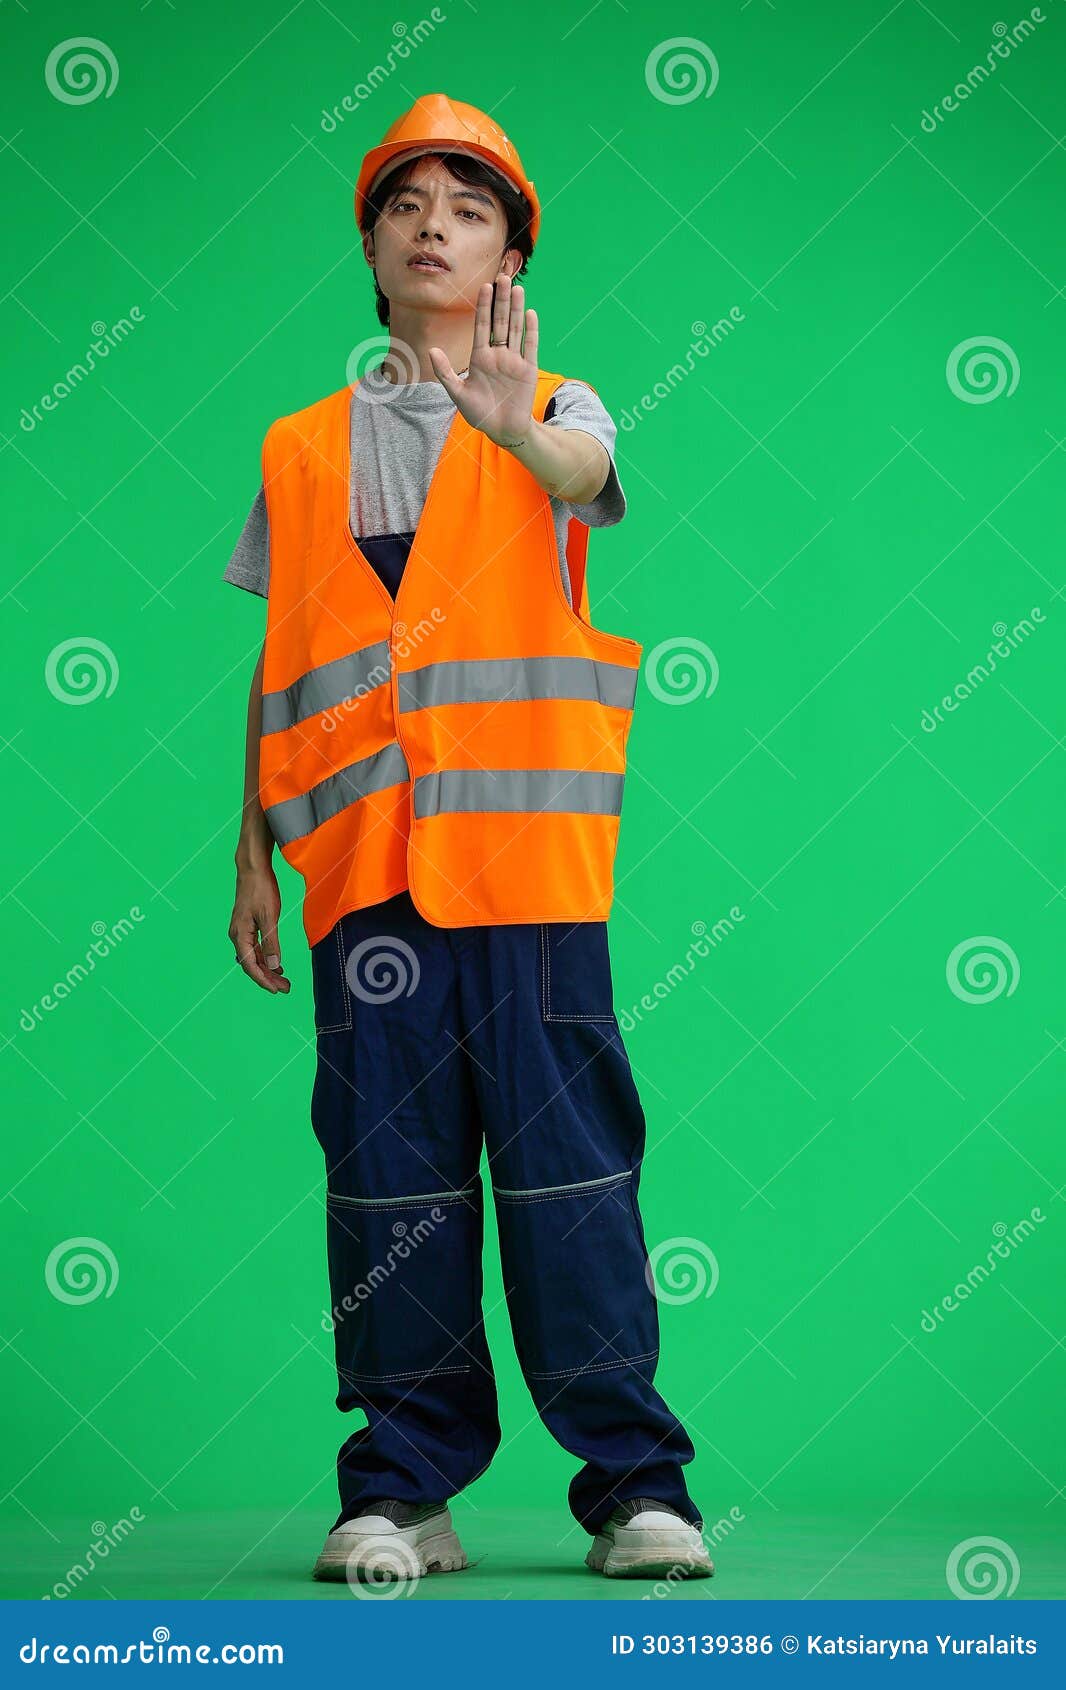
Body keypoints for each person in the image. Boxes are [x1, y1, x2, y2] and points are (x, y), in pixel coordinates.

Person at [225, 93, 711, 1585]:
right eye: (404, 203)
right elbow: (285, 658)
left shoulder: (560, 405)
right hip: (359, 877)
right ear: (371, 246)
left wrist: (518, 431)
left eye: (468, 205)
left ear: (508, 252)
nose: (432, 223)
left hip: (522, 873)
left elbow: (580, 486)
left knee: (568, 1176)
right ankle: (402, 1487)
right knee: (385, 1186)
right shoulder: (301, 446)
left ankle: (634, 1484)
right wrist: (247, 849)